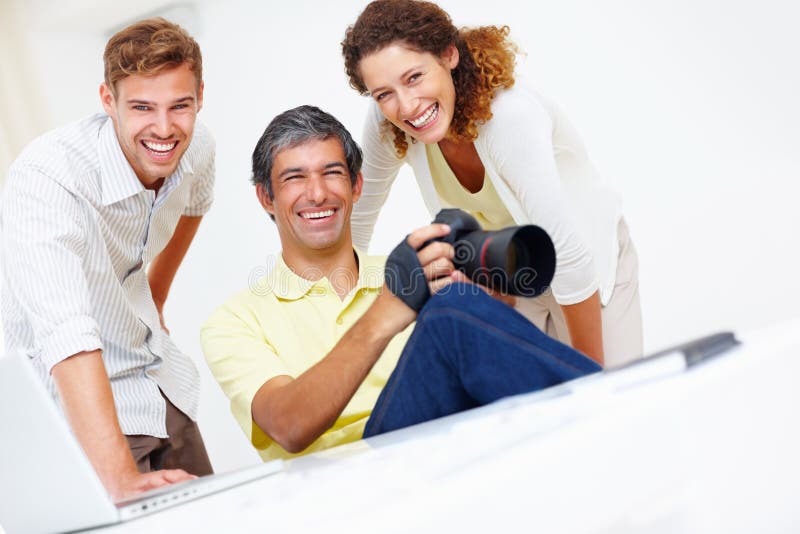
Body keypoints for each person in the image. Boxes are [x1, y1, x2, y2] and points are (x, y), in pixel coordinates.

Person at [200, 105, 600, 462]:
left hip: (453, 452)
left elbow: (481, 356)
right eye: (294, 178)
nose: (318, 193)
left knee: (457, 305)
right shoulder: (234, 321)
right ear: (266, 198)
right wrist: (389, 310)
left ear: (356, 186)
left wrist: (490, 292)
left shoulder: (414, 267)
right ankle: (610, 411)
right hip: (341, 491)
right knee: (449, 313)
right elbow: (288, 426)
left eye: (332, 173)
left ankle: (595, 430)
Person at [342, 0, 643, 367]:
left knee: (605, 404)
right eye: (383, 93)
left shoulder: (509, 118)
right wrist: (331, 321)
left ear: (448, 55)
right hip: (514, 277)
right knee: (525, 413)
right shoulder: (387, 120)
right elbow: (358, 221)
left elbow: (570, 257)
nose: (405, 107)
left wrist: (586, 378)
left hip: (586, 270)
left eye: (414, 77)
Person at [1, 18, 215, 501]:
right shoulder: (48, 177)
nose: (164, 128)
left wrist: (155, 298)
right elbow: (65, 334)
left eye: (179, 106)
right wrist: (119, 479)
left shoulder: (197, 146)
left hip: (160, 383)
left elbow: (196, 201)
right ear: (107, 101)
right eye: (141, 107)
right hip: (85, 409)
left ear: (200, 95)